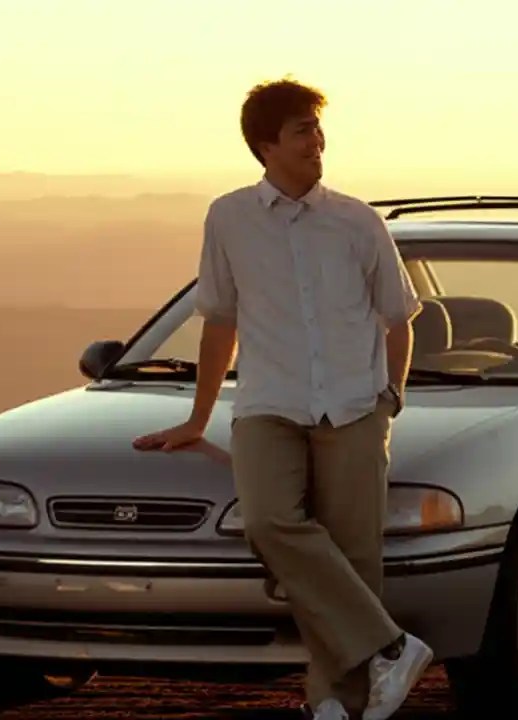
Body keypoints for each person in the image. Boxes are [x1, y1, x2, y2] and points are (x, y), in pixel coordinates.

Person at [132, 78, 432, 720]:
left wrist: (390, 400)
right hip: (268, 405)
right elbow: (219, 321)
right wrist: (197, 416)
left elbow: (399, 317)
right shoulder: (229, 218)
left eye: (319, 130)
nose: (317, 142)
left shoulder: (358, 221)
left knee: (351, 562)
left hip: (355, 407)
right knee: (268, 522)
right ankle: (391, 647)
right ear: (266, 145)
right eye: (302, 131)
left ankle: (331, 704)